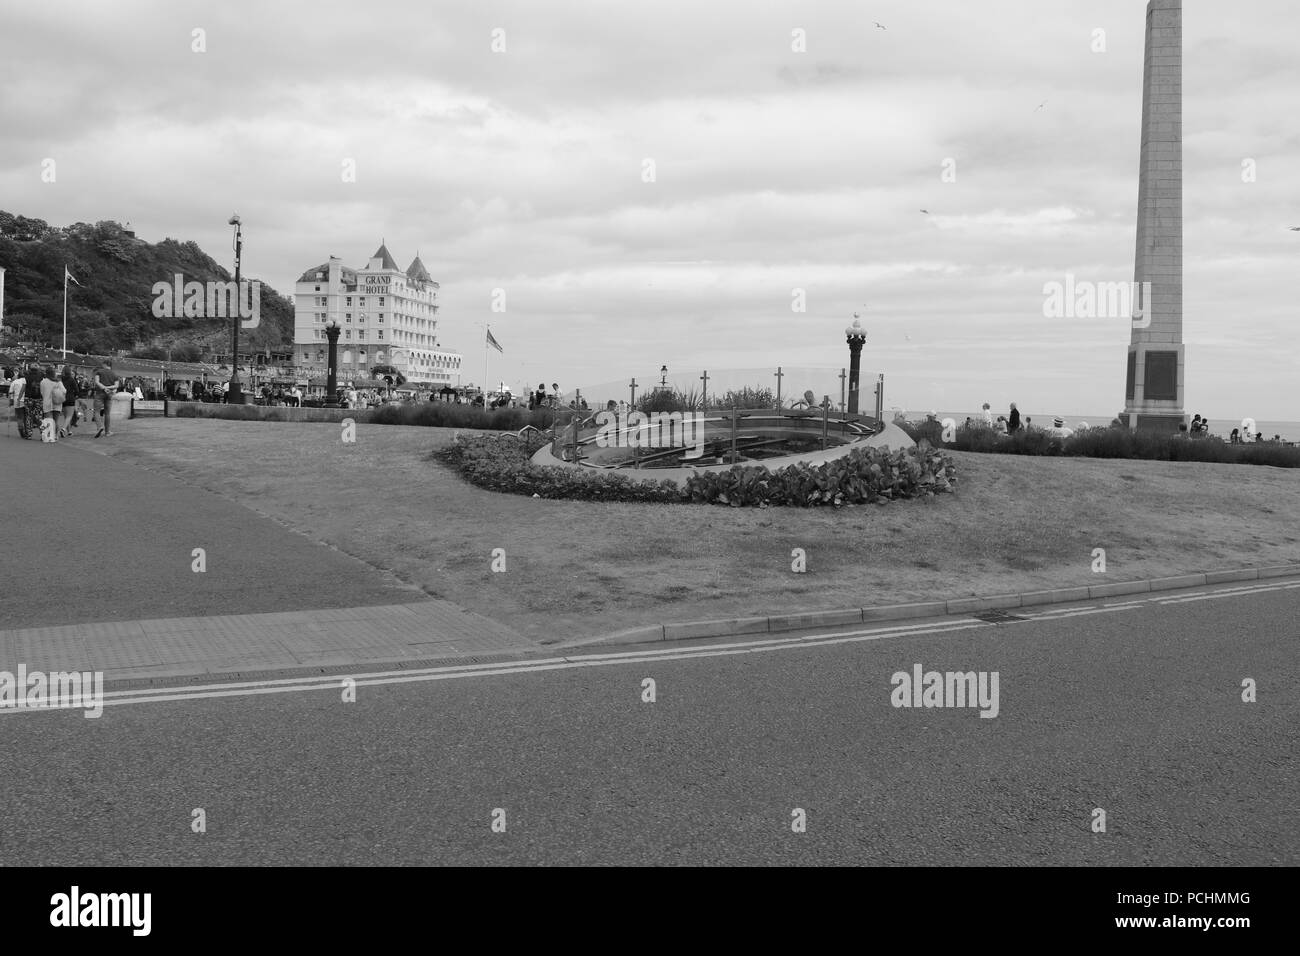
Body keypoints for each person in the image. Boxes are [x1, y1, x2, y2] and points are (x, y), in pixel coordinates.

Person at [92, 359, 120, 438]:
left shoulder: (99, 372)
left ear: (105, 364)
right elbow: (116, 386)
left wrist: (104, 388)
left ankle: (99, 426)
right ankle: (107, 432)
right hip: (109, 394)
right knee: (107, 413)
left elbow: (97, 382)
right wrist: (108, 388)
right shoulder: (114, 374)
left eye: (102, 364)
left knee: (96, 411)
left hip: (99, 393)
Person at [59, 365, 79, 437]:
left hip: (63, 399)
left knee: (66, 416)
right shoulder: (71, 379)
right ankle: (63, 429)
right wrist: (76, 395)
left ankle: (69, 431)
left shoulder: (61, 379)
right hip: (70, 398)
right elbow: (77, 390)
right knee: (69, 416)